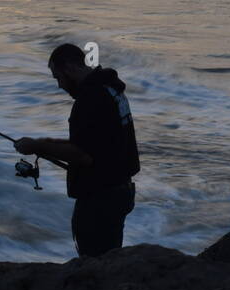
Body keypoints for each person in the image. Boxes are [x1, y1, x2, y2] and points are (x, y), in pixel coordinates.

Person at [15, 44, 140, 257]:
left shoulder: (91, 99)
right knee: (109, 257)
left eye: (58, 77)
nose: (59, 85)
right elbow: (93, 143)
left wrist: (37, 146)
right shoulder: (110, 88)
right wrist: (43, 142)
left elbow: (82, 155)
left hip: (101, 199)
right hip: (120, 190)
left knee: (95, 264)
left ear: (70, 67)